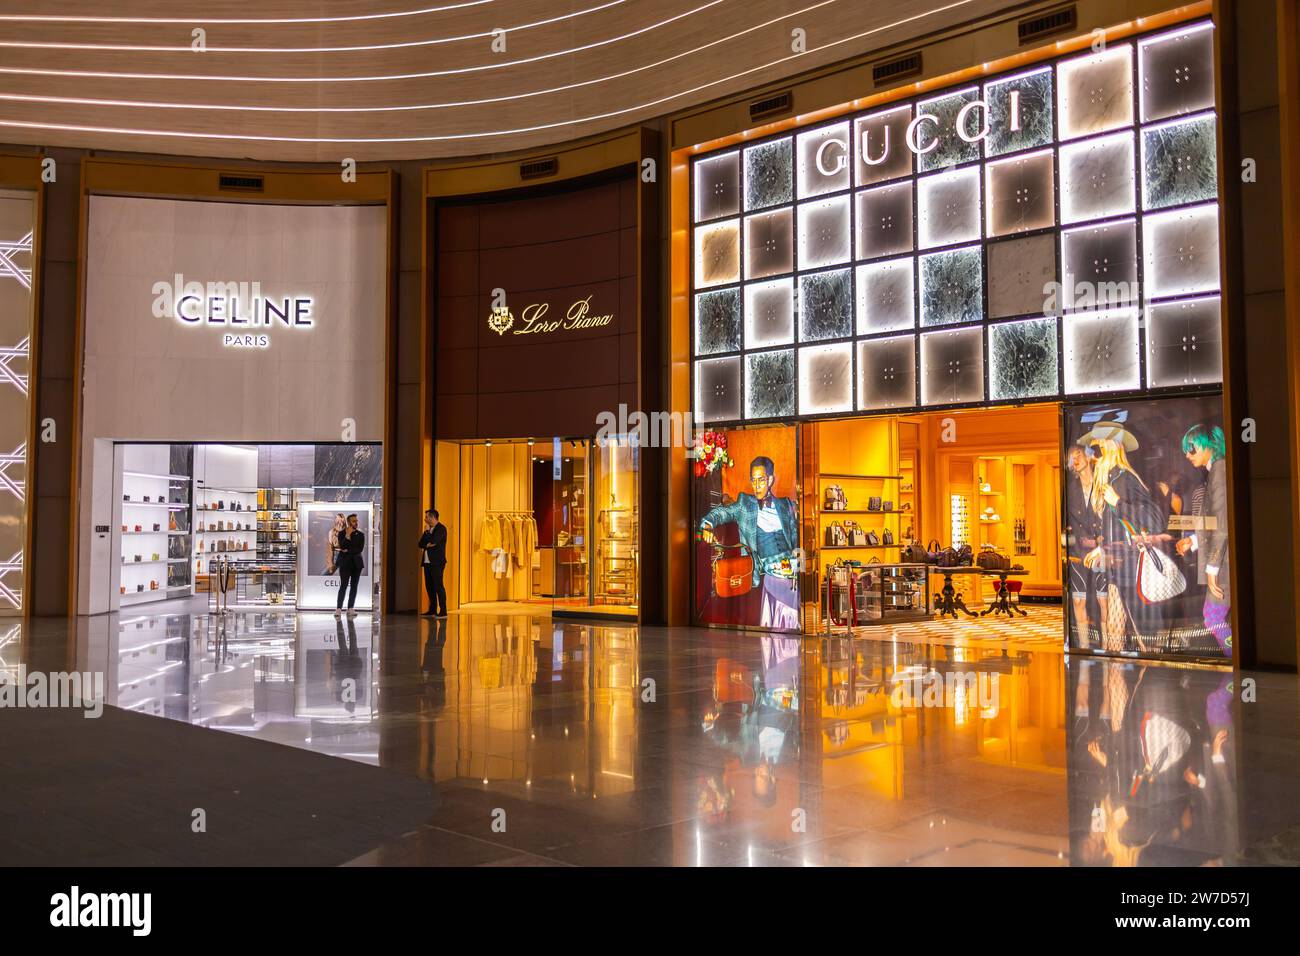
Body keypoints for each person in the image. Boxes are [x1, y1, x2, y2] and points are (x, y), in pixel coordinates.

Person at [1082, 432, 1169, 652]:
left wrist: (1118, 502)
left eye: (1098, 448)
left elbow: (1155, 519)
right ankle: (1114, 683)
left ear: (1111, 447)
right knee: (1113, 631)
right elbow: (1116, 528)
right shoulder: (1110, 480)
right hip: (1118, 567)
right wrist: (1102, 548)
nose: (1093, 455)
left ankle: (1145, 679)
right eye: (1092, 450)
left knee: (1144, 642)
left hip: (1133, 569)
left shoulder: (1126, 478)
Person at [699, 455, 800, 629]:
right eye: (754, 481)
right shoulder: (745, 503)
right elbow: (721, 513)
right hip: (767, 572)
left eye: (761, 480)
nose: (756, 486)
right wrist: (706, 525)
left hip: (790, 568)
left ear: (770, 480)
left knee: (793, 582)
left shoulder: (785, 505)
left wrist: (800, 564)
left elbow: (796, 541)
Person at [1176, 424, 1231, 657]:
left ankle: (1235, 670)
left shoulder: (1219, 469)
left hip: (1224, 564)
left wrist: (1212, 568)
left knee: (1213, 617)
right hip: (1223, 562)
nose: (1187, 454)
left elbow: (1223, 523)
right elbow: (1214, 522)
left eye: (1192, 448)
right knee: (1215, 617)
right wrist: (1193, 541)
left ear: (1209, 445)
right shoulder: (1216, 470)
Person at [1065, 443, 1109, 648]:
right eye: (1072, 456)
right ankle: (1082, 648)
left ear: (1089, 457)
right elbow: (1068, 522)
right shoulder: (1070, 489)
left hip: (1101, 550)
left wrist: (1104, 541)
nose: (1075, 459)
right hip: (1078, 553)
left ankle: (1109, 646)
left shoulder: (1102, 483)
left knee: (1104, 601)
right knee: (1078, 600)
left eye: (1079, 454)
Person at [418, 509, 448, 617]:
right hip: (427, 562)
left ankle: (443, 610)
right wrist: (427, 542)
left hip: (437, 562)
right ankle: (432, 609)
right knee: (429, 586)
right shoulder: (429, 529)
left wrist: (427, 533)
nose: (425, 519)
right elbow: (420, 544)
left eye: (427, 517)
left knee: (438, 586)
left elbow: (434, 541)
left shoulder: (441, 529)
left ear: (432, 517)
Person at [335, 513, 366, 614]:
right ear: (348, 522)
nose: (356, 523)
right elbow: (342, 546)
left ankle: (350, 608)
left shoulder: (361, 535)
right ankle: (339, 608)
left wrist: (347, 550)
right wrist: (347, 536)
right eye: (354, 521)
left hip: (356, 563)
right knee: (343, 585)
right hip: (344, 563)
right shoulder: (341, 534)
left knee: (354, 585)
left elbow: (359, 549)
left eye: (357, 521)